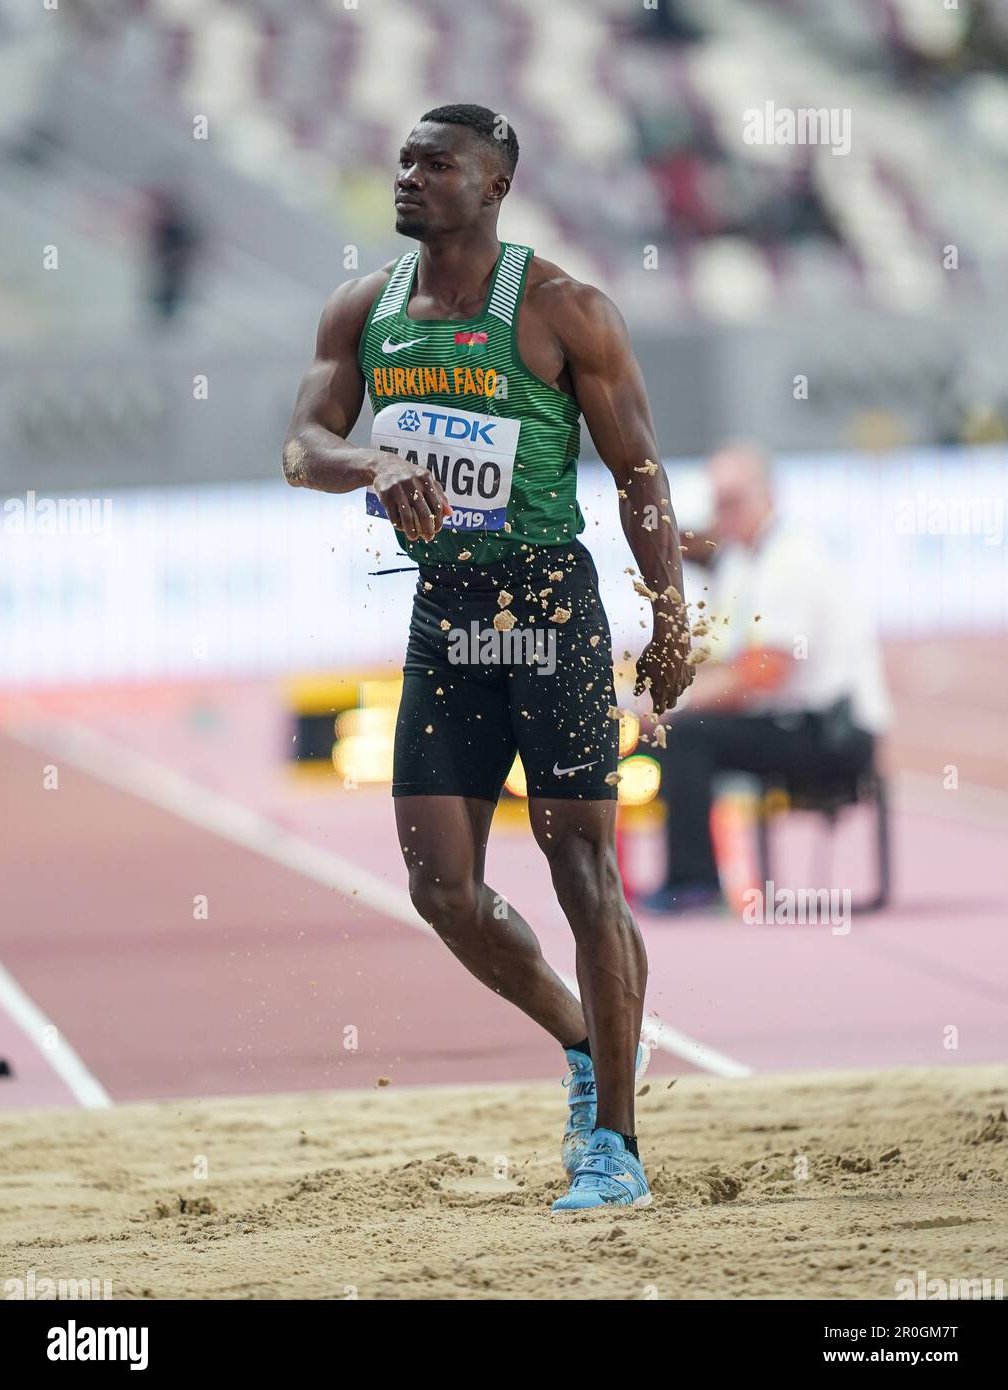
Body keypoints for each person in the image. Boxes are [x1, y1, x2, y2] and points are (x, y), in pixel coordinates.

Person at [282, 104, 693, 1212]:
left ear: (495, 184)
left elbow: (641, 473)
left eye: (437, 163)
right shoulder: (364, 309)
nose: (410, 176)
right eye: (405, 160)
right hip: (446, 616)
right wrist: (368, 460)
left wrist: (672, 619)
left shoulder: (562, 307)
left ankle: (615, 1143)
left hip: (549, 612)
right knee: (443, 889)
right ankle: (584, 1044)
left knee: (582, 872)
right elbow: (300, 445)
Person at [642, 443, 892, 914]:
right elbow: (721, 661)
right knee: (671, 730)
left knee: (687, 734)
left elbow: (765, 672)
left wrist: (683, 704)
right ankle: (665, 874)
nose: (723, 514)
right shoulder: (743, 562)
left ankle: (693, 881)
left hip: (833, 732)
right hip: (789, 721)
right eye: (717, 502)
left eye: (733, 500)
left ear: (768, 496)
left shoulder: (791, 561)